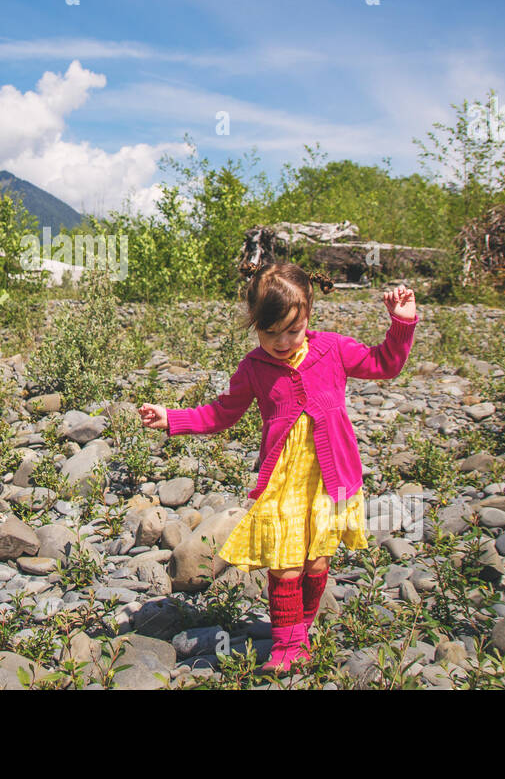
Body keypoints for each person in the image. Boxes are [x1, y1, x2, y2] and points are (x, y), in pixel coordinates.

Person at [138, 263, 419, 674]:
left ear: (308, 316)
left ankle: (302, 629)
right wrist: (173, 418)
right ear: (255, 325)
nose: (283, 342)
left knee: (317, 561)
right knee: (286, 563)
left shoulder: (334, 349)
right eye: (271, 333)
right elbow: (223, 412)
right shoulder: (254, 367)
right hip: (284, 484)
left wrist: (402, 322)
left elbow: (384, 364)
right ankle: (288, 646)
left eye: (293, 330)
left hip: (329, 479)